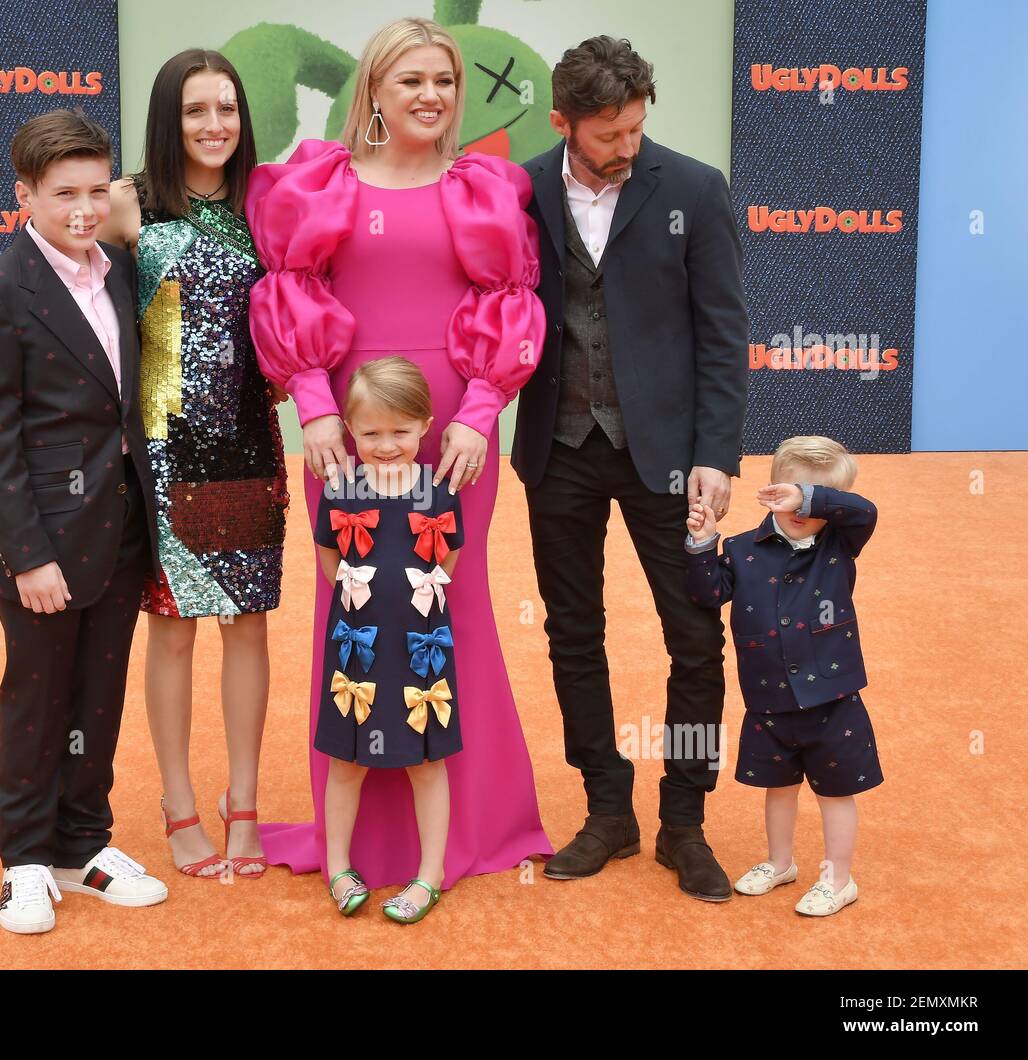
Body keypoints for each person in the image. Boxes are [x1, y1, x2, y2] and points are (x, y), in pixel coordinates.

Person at [247, 16, 553, 890]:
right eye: (411, 80)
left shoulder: (483, 187)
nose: (430, 96)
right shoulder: (319, 182)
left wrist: (483, 410)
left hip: (452, 432)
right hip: (343, 430)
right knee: (353, 611)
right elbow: (289, 294)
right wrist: (311, 410)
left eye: (444, 82)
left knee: (449, 613)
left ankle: (467, 830)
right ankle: (360, 844)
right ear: (374, 89)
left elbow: (512, 302)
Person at [513, 35, 749, 900]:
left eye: (637, 128)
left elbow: (723, 336)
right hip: (558, 448)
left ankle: (683, 820)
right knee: (574, 636)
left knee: (695, 637)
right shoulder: (519, 189)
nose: (628, 147)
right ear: (564, 122)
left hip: (669, 461)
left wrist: (715, 456)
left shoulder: (693, 189)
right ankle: (607, 808)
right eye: (609, 133)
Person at [0, 108, 169, 933]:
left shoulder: (115, 269)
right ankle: (24, 862)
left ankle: (83, 848)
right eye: (62, 195)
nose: (82, 210)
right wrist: (28, 556)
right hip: (39, 542)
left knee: (99, 694)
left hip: (118, 528)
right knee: (38, 701)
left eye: (94, 190)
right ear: (24, 196)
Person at [99, 49, 287, 880]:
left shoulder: (268, 206)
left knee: (248, 625)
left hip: (250, 444)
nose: (215, 125)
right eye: (195, 110)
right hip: (167, 452)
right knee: (172, 631)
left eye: (228, 109)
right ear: (167, 120)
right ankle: (178, 804)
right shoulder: (127, 205)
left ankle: (242, 802)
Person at [685, 436, 882, 916]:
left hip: (832, 699)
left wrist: (810, 496)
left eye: (812, 501)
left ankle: (839, 878)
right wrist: (703, 541)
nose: (799, 509)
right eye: (790, 491)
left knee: (836, 794)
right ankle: (780, 862)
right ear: (772, 487)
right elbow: (708, 594)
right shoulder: (741, 548)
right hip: (767, 698)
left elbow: (865, 510)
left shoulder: (841, 542)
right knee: (779, 787)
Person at [314, 357, 462, 923]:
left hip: (423, 645)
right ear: (349, 430)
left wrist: (408, 602)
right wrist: (365, 604)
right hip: (355, 647)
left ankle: (429, 876)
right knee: (346, 761)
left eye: (400, 431)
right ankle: (337, 864)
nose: (385, 445)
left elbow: (448, 559)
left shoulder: (438, 491)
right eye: (370, 432)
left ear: (425, 425)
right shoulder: (341, 489)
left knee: (427, 763)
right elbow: (331, 557)